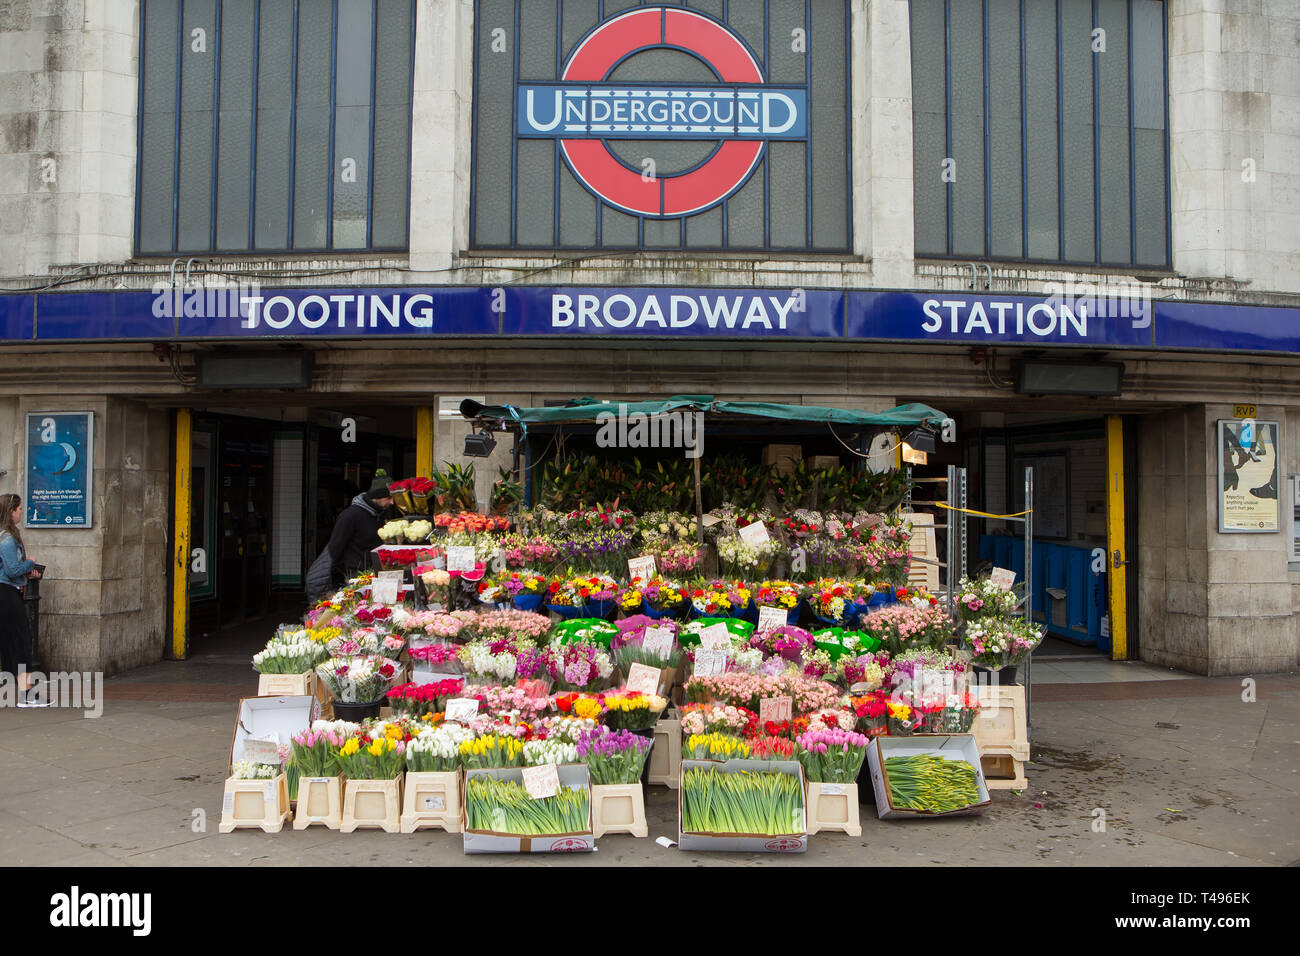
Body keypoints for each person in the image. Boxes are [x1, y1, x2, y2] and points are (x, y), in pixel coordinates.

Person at [308, 470, 394, 597]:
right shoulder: (350, 516)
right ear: (377, 496)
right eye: (389, 498)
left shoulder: (381, 514)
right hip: (356, 578)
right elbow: (335, 549)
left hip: (379, 576)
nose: (392, 502)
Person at [0, 493, 47, 707]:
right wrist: (29, 563)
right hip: (8, 594)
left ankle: (20, 693)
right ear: (11, 512)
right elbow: (12, 570)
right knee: (21, 642)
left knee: (11, 644)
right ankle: (26, 695)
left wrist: (27, 574)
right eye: (19, 509)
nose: (22, 512)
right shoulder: (8, 539)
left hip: (7, 592)